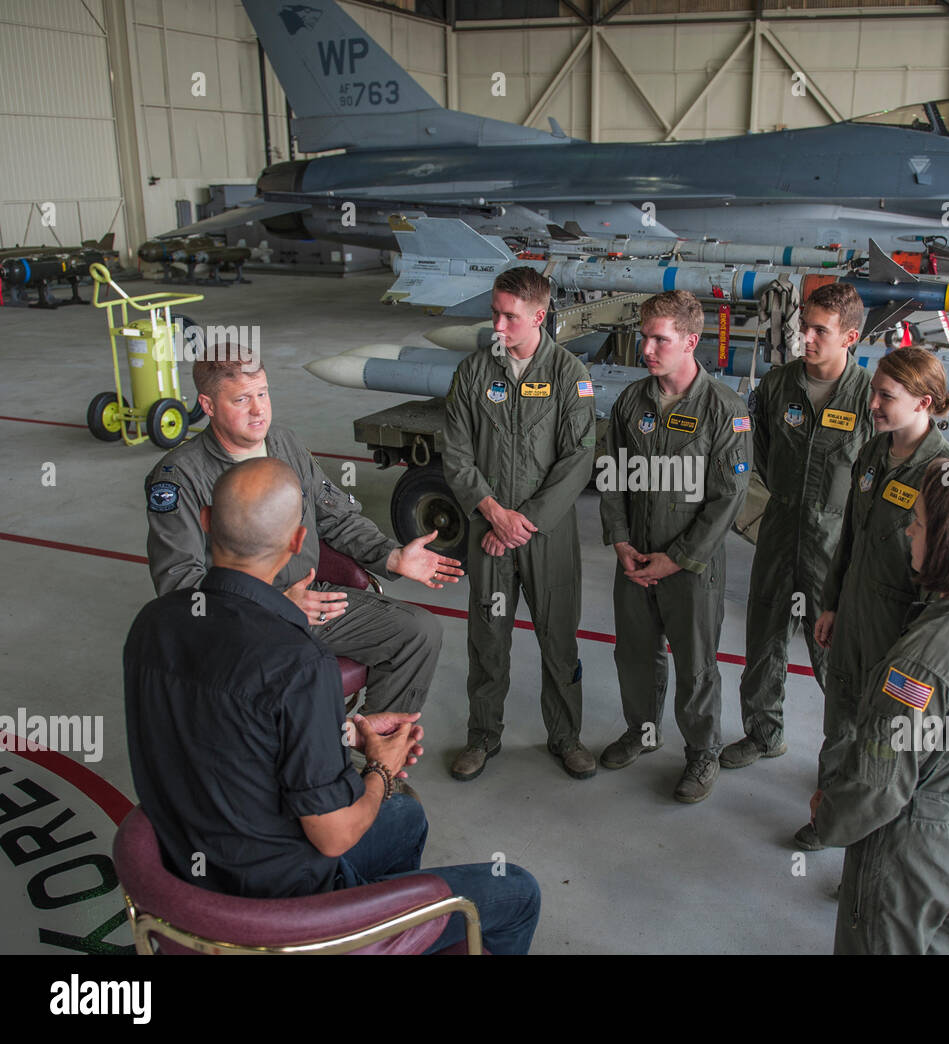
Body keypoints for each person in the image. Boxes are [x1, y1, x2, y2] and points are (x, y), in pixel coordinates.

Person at [124, 458, 540, 953]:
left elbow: (230, 734)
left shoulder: (151, 625)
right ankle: (365, 935)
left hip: (193, 883)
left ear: (206, 521)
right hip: (287, 919)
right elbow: (334, 836)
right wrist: (381, 768)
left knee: (405, 819)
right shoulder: (299, 663)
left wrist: (339, 732)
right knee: (517, 891)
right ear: (298, 543)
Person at [145, 354, 460, 716]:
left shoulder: (283, 443)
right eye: (241, 400)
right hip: (240, 623)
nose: (258, 410)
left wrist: (391, 556)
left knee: (418, 633)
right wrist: (272, 606)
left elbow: (335, 516)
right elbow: (180, 586)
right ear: (208, 405)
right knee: (291, 689)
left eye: (262, 394)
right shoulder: (179, 478)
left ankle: (377, 761)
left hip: (310, 599)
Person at [811, 456, 949, 954]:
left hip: (907, 853)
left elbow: (879, 783)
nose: (910, 533)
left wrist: (828, 814)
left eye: (918, 524)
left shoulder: (921, 665)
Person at [798, 347, 949, 849]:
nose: (872, 404)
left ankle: (876, 837)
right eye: (874, 392)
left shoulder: (947, 475)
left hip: (900, 629)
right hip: (853, 617)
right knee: (840, 718)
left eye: (886, 396)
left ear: (924, 402)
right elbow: (848, 537)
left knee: (887, 739)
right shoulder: (873, 451)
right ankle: (830, 812)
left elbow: (945, 577)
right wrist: (831, 603)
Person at [440, 267, 598, 781]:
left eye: (510, 316)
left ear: (539, 314)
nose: (499, 326)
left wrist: (520, 523)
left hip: (545, 536)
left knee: (559, 641)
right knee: (487, 639)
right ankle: (483, 737)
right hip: (490, 533)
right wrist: (492, 512)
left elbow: (579, 459)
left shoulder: (570, 374)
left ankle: (566, 737)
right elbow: (456, 455)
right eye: (495, 313)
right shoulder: (473, 374)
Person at [599, 290, 752, 803]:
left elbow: (728, 499)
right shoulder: (631, 401)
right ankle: (642, 732)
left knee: (696, 664)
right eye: (643, 336)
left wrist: (678, 558)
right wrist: (620, 540)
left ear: (690, 342)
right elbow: (613, 476)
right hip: (635, 560)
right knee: (636, 655)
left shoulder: (724, 411)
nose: (646, 348)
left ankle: (702, 753)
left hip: (691, 568)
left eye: (659, 339)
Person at [721, 282, 873, 769]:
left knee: (836, 661)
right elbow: (761, 452)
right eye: (802, 326)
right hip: (780, 531)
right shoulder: (778, 385)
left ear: (850, 338)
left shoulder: (869, 398)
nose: (804, 338)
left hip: (835, 545)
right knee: (763, 642)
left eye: (818, 331)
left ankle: (844, 762)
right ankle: (764, 734)